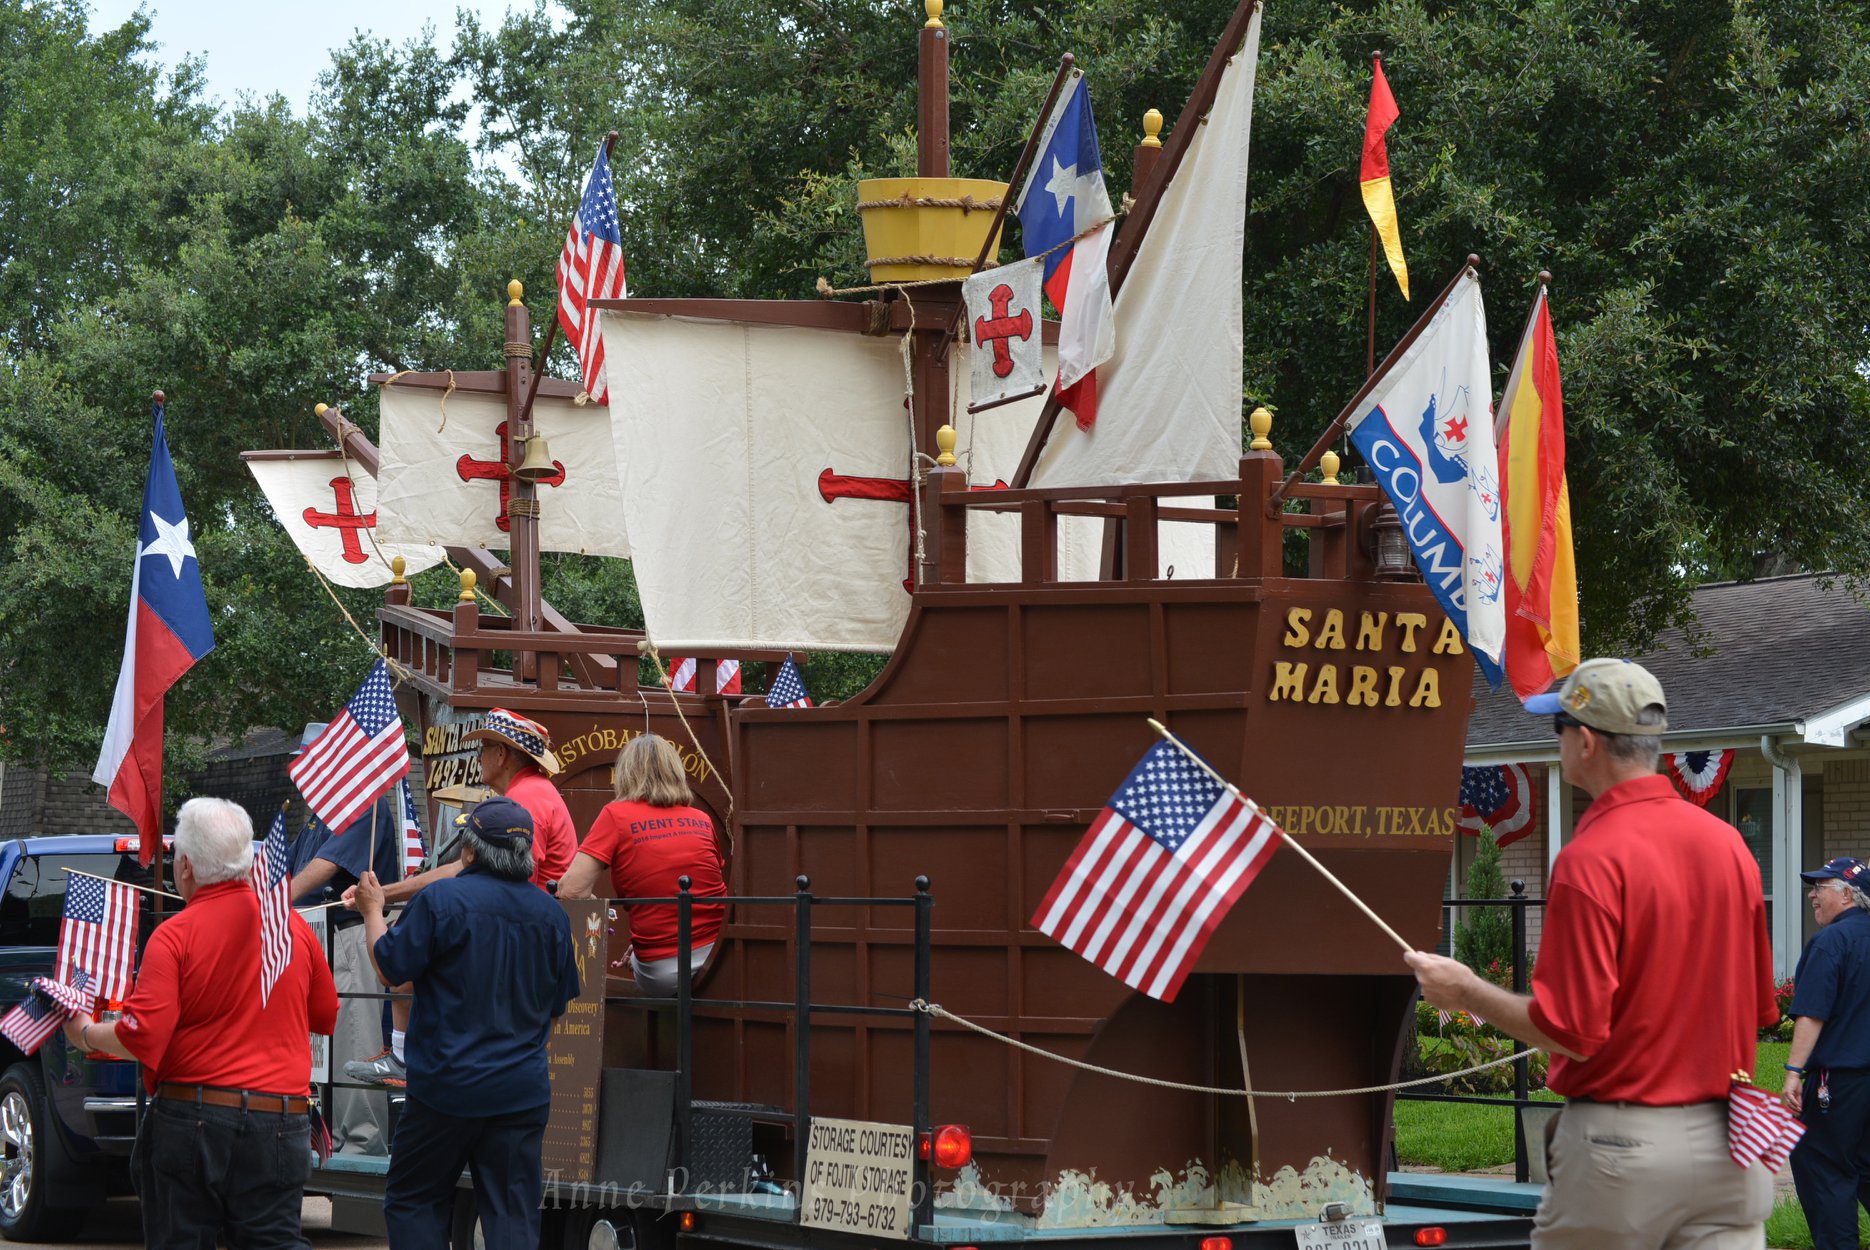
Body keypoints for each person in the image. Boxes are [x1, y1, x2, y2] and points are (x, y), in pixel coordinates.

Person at [1407, 657, 1777, 1249]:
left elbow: (1572, 1030)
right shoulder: (1729, 844)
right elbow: (1761, 1008)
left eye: (1559, 728)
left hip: (1620, 1153)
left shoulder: (1592, 858)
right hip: (1731, 1147)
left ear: (1584, 742)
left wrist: (1466, 991)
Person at [63, 797, 339, 1250]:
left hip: (193, 1118)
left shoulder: (175, 935)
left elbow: (144, 1036)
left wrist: (84, 1033)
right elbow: (325, 1017)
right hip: (281, 1119)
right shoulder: (292, 929)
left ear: (186, 866)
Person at [355, 796, 580, 1250]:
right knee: (513, 1214)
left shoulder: (441, 900)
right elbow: (556, 1011)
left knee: (415, 1199)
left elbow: (390, 969)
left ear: (471, 852)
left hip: (445, 1086)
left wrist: (372, 910)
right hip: (520, 1090)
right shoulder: (552, 915)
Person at [344, 708, 575, 1088]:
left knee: (409, 939)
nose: (478, 757)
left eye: (484, 748)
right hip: (522, 931)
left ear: (502, 755)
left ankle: (403, 1057)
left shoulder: (526, 800)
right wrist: (386, 893)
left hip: (511, 934)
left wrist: (382, 895)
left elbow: (473, 873)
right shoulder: (530, 793)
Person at [287, 721, 403, 1148]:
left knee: (353, 1041)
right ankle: (325, 1141)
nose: (301, 775)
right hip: (316, 939)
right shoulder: (318, 816)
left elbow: (324, 870)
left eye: (308, 764)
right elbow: (294, 870)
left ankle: (360, 1144)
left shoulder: (362, 803)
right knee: (320, 1051)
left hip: (352, 937)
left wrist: (271, 901)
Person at [559, 733, 728, 994]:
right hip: (719, 957)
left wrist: (641, 938)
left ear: (627, 773)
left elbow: (569, 890)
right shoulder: (702, 819)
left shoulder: (616, 815)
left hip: (662, 970)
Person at [1784, 856, 1870, 1249]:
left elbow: (1812, 1013)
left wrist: (1792, 1072)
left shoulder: (1831, 941)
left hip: (1839, 1079)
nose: (1813, 896)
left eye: (1820, 888)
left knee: (1824, 1168)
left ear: (1848, 895)